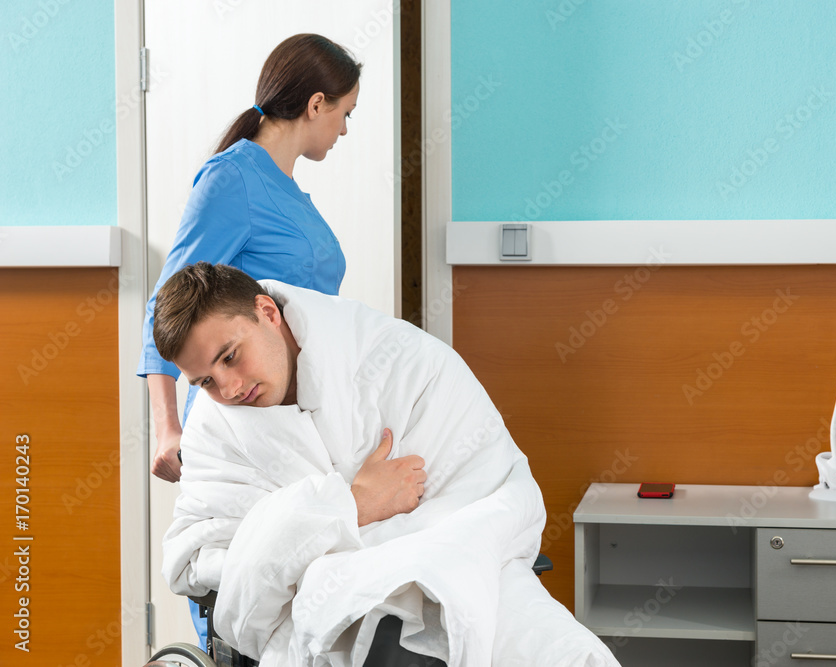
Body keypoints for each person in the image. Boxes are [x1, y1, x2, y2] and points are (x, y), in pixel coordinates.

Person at [154, 262, 620, 667]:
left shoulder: (392, 354)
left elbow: (484, 484)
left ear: (268, 312)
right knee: (389, 628)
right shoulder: (214, 428)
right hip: (326, 594)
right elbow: (199, 557)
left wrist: (322, 532)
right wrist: (350, 505)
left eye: (230, 357)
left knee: (555, 651)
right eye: (205, 382)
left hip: (451, 546)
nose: (229, 389)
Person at [138, 33, 361, 485]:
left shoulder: (290, 192)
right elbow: (164, 305)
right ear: (317, 104)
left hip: (294, 409)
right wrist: (166, 429)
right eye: (345, 113)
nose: (344, 130)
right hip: (240, 415)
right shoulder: (232, 179)